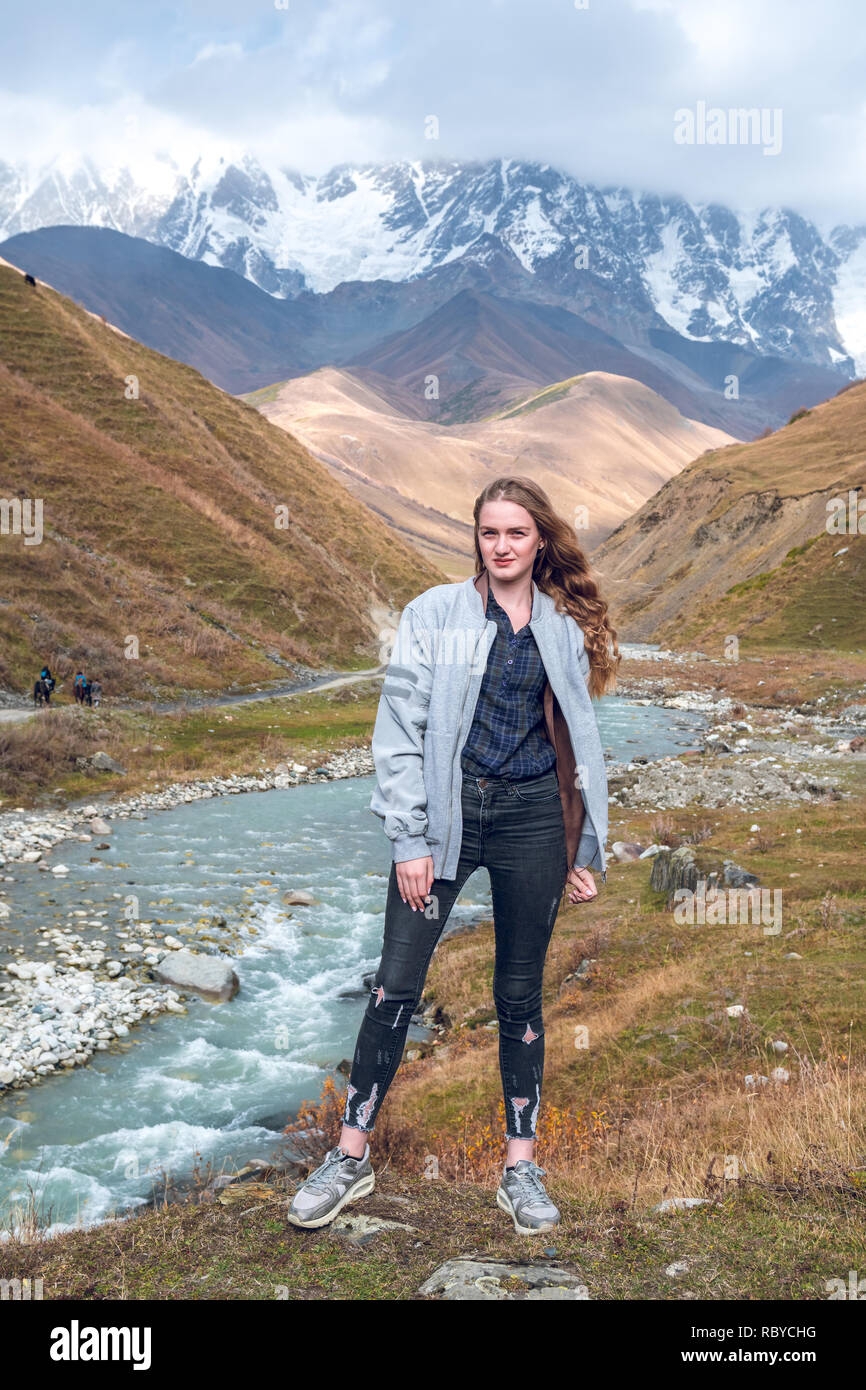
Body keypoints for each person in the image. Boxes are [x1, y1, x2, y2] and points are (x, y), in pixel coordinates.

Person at [288, 476, 619, 1236]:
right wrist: (409, 838)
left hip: (534, 819)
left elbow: (578, 743)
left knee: (519, 996)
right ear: (476, 538)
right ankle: (348, 1156)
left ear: (540, 542)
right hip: (445, 817)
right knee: (395, 985)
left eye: (516, 534)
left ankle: (520, 1169)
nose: (500, 546)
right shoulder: (433, 614)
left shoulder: (564, 626)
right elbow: (399, 727)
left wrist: (580, 845)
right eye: (488, 533)